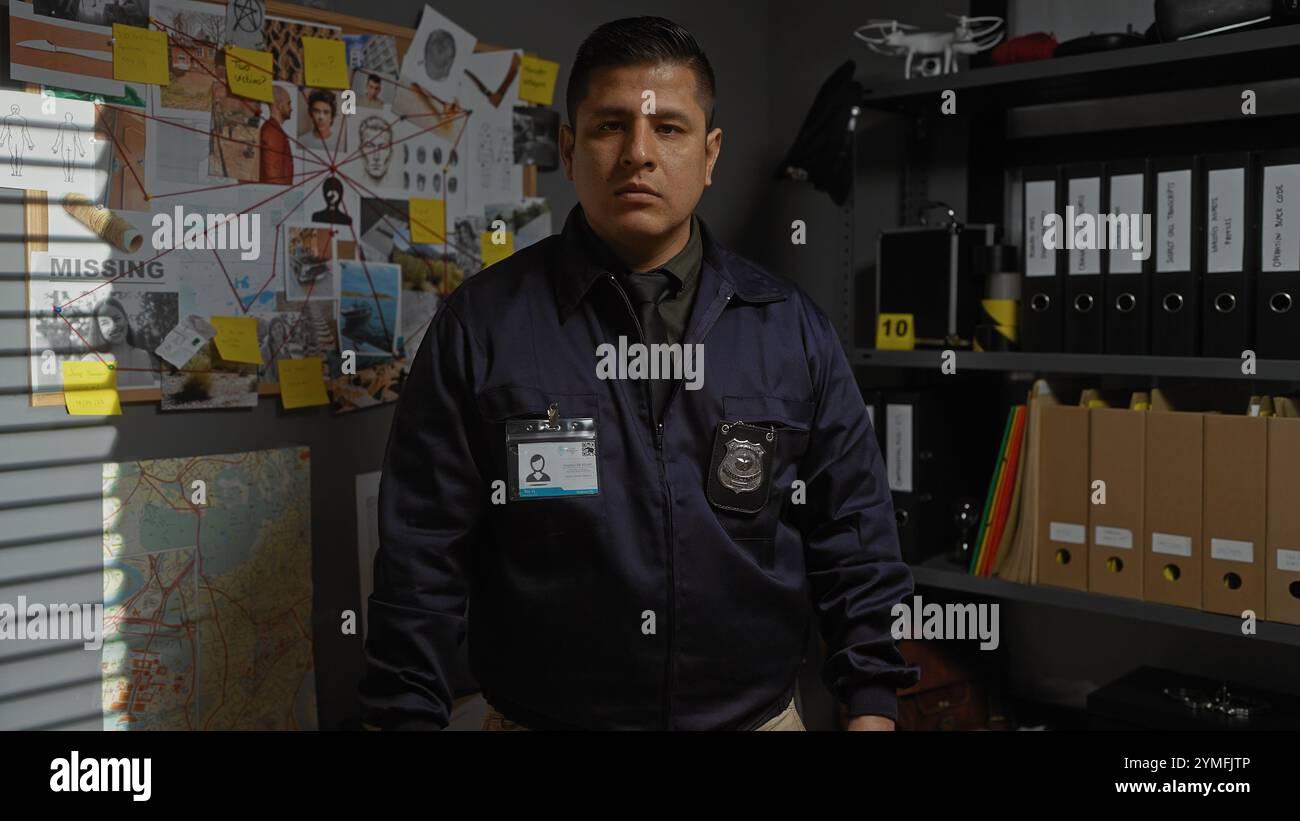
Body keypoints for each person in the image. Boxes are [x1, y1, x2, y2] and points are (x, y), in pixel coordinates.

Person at [361, 17, 918, 731]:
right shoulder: (482, 327)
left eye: (671, 129)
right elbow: (419, 559)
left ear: (710, 153)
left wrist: (871, 704)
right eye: (610, 126)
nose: (638, 155)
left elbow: (855, 533)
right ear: (568, 146)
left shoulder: (791, 329)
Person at [88, 296, 156, 388]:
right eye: (105, 322)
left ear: (126, 319)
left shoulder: (143, 356)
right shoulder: (91, 361)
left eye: (117, 319)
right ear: (98, 329)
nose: (113, 326)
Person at [259, 85, 293, 184]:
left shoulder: (273, 129)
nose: (291, 108)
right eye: (288, 103)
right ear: (278, 105)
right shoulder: (273, 132)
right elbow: (273, 175)